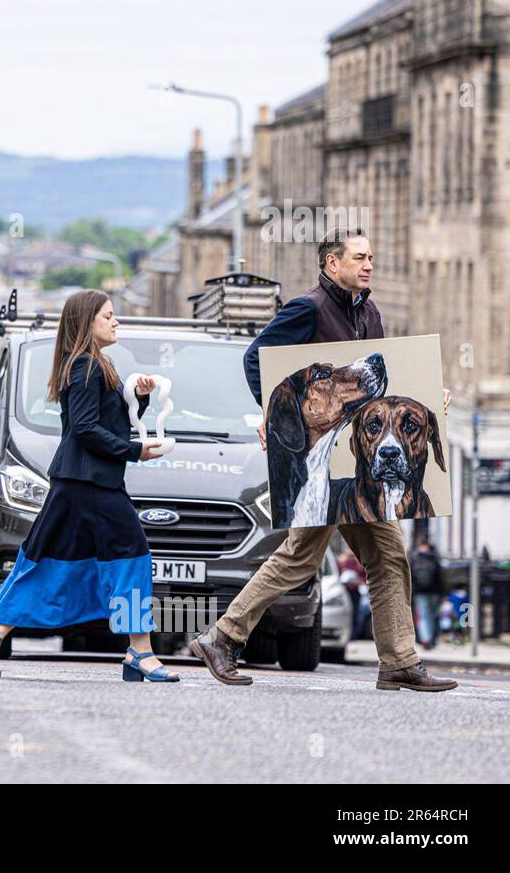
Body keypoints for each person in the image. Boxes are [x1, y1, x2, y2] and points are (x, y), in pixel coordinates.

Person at [191, 228, 458, 691]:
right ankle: (222, 637)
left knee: (390, 556)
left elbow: (378, 392)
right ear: (332, 264)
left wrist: (429, 395)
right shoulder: (307, 308)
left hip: (357, 468)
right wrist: (275, 417)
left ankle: (399, 660)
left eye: (371, 256)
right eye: (358, 257)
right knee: (299, 557)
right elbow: (257, 360)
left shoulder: (370, 313)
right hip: (318, 465)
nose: (368, 264)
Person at [0, 289, 173, 680]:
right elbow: (85, 429)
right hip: (89, 483)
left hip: (82, 483)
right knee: (132, 558)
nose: (116, 322)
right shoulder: (85, 366)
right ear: (87, 321)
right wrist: (134, 450)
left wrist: (137, 399)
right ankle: (139, 652)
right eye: (108, 316)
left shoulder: (97, 364)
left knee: (46, 560)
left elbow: (104, 420)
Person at [411, 536, 444, 649]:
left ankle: (426, 639)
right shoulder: (434, 557)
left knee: (423, 615)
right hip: (435, 591)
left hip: (419, 591)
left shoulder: (414, 557)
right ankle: (432, 639)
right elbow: (441, 576)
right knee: (433, 615)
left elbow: (409, 575)